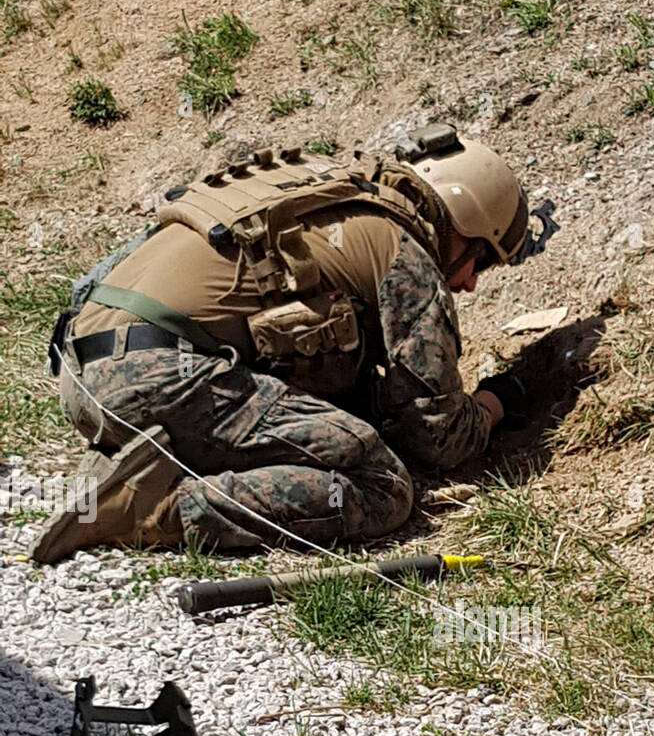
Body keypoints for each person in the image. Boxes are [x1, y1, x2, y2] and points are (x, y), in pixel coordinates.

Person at [33, 125, 546, 562]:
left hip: (82, 371)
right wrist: (493, 404)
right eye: (479, 261)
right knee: (381, 485)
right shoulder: (403, 250)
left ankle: (127, 456)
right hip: (157, 376)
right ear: (464, 225)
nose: (471, 284)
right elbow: (441, 436)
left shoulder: (321, 192)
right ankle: (153, 510)